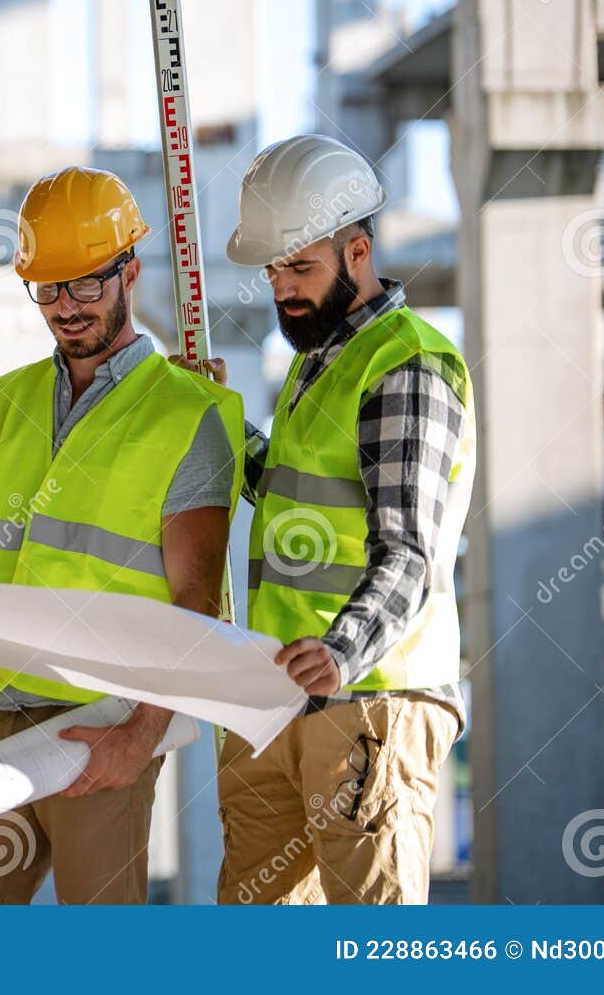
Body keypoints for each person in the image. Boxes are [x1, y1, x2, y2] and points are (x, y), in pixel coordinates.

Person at [0, 166, 244, 904]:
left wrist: (142, 734)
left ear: (131, 269)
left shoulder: (190, 412)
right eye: (48, 288)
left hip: (99, 726)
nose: (66, 307)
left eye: (86, 284)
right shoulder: (3, 403)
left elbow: (198, 597)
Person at [209, 134, 474, 904]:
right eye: (273, 270)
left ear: (357, 252)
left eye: (301, 267)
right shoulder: (315, 358)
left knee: (369, 950)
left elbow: (408, 553)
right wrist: (219, 419)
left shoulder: (406, 366)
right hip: (283, 693)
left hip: (369, 697)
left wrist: (340, 649)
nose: (282, 287)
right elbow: (292, 492)